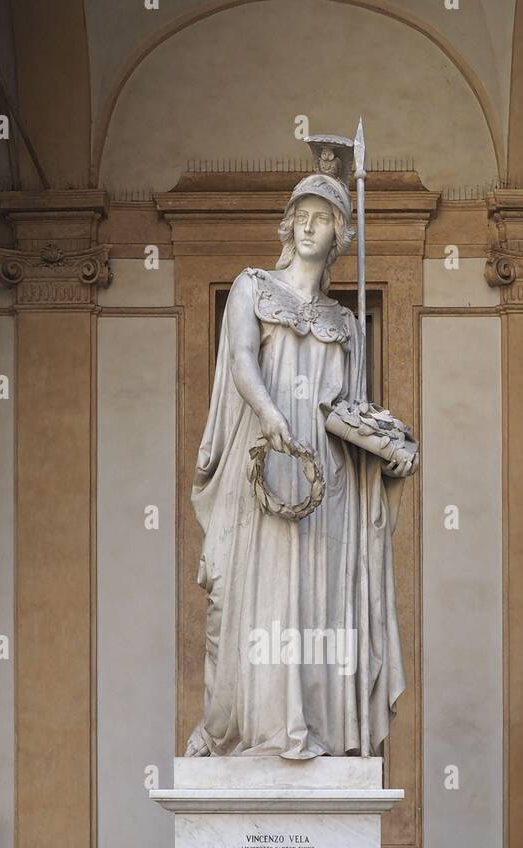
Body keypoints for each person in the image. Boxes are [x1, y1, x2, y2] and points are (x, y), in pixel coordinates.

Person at [184, 163, 411, 758]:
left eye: (324, 219)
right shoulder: (252, 287)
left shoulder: (344, 323)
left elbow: (347, 408)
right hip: (265, 463)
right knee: (254, 596)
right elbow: (240, 360)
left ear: (340, 234)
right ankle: (249, 728)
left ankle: (314, 726)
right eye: (302, 217)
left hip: (325, 480)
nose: (309, 227)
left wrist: (387, 448)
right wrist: (270, 414)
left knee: (317, 599)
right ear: (289, 226)